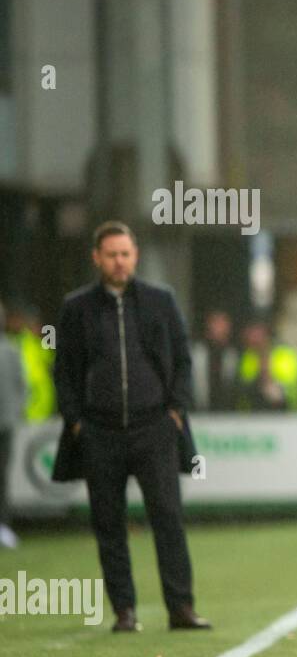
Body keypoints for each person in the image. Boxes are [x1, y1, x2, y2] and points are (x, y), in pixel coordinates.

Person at [50, 222, 210, 632]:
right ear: (96, 258)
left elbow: (182, 359)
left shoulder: (161, 300)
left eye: (125, 254)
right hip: (99, 434)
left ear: (135, 256)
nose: (119, 262)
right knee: (108, 525)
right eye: (111, 255)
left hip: (154, 428)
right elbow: (64, 371)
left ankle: (181, 608)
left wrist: (176, 410)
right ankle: (125, 611)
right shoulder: (76, 308)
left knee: (168, 519)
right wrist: (77, 423)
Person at [0, 303, 25, 549]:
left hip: (5, 424)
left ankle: (3, 526)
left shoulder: (11, 350)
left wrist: (15, 412)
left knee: (2, 477)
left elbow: (21, 385)